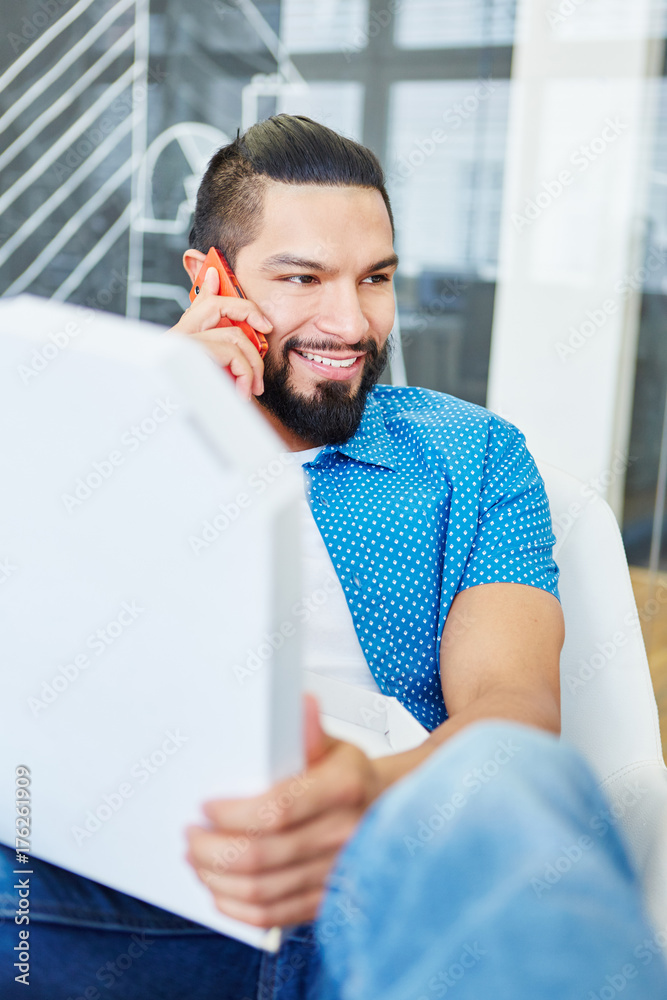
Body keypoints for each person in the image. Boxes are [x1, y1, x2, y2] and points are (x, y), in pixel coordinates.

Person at [1, 115, 665, 999]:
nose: (350, 322)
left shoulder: (471, 458)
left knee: (523, 787)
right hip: (123, 889)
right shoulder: (90, 437)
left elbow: (513, 714)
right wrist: (151, 426)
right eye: (302, 278)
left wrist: (362, 800)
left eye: (375, 279)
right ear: (213, 281)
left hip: (391, 860)